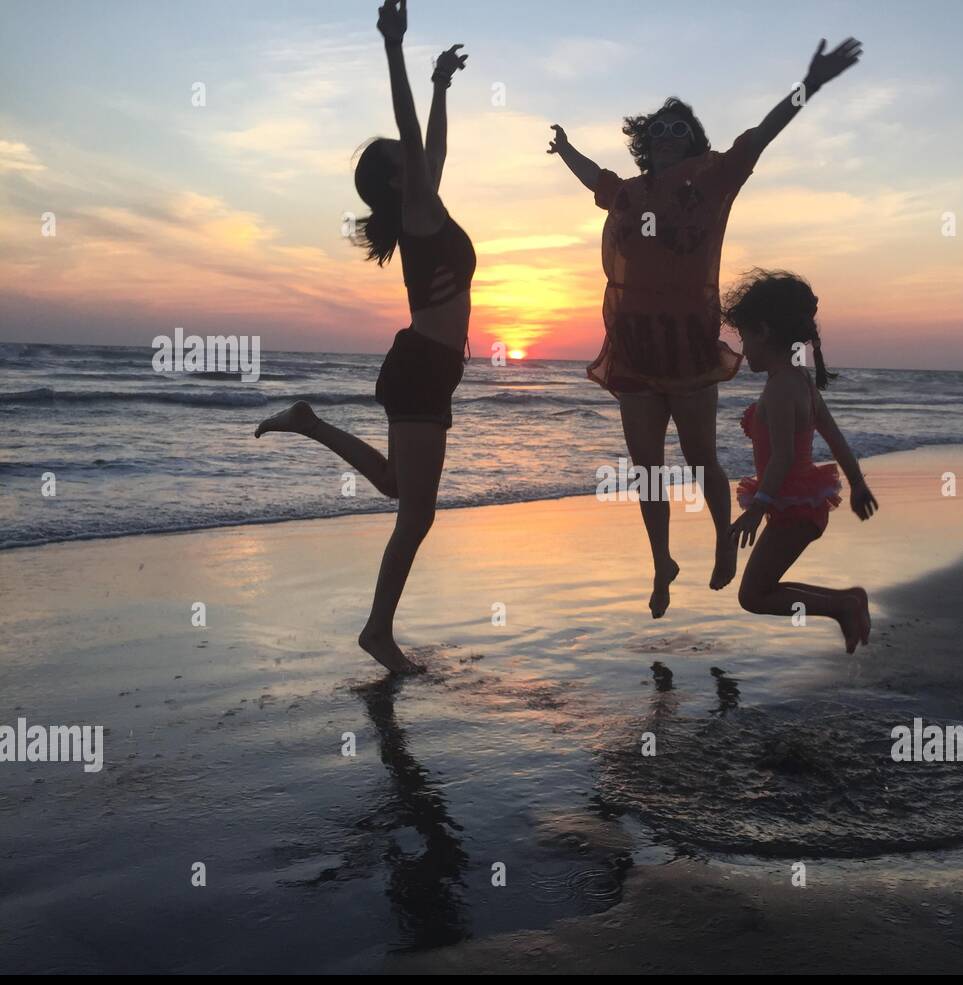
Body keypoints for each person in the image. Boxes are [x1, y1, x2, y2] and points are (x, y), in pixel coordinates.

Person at [548, 37, 863, 618]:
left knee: (699, 460)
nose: (668, 136)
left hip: (688, 347)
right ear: (646, 142)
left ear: (693, 139)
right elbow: (596, 178)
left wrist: (810, 84)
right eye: (659, 130)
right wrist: (566, 149)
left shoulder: (712, 179)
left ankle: (722, 538)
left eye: (679, 128)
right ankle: (662, 562)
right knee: (646, 468)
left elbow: (760, 136)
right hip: (634, 348)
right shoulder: (629, 193)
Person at [255, 0, 472, 674]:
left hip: (425, 368)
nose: (411, 151)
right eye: (399, 153)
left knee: (393, 487)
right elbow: (415, 134)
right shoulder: (415, 209)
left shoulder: (424, 205)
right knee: (416, 513)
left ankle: (308, 422)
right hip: (421, 369)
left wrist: (440, 85)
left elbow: (432, 145)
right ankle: (378, 631)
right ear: (395, 178)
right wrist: (394, 48)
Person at [723, 270, 879, 653]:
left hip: (791, 507)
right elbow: (834, 435)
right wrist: (857, 484)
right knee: (763, 588)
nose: (743, 350)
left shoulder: (779, 390)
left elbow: (783, 458)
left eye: (744, 337)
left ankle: (842, 605)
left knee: (753, 596)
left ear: (763, 331)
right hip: (803, 505)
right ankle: (847, 600)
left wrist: (757, 510)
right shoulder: (801, 381)